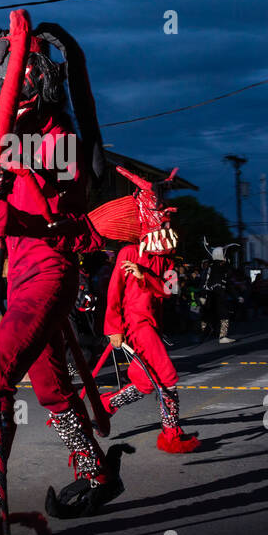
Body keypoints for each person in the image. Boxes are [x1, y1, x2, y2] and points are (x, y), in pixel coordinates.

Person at [0, 11, 124, 535]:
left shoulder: (58, 136)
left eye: (26, 72)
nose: (14, 82)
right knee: (54, 389)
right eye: (8, 73)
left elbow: (58, 207)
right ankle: (96, 471)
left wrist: (3, 164)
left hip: (51, 273)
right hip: (16, 278)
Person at [90, 165, 200, 453]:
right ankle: (172, 434)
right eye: (160, 220)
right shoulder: (127, 252)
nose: (165, 224)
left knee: (145, 384)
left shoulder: (168, 260)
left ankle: (107, 405)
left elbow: (170, 290)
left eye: (166, 220)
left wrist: (145, 276)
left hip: (154, 326)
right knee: (167, 378)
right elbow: (112, 293)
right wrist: (113, 329)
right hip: (137, 328)